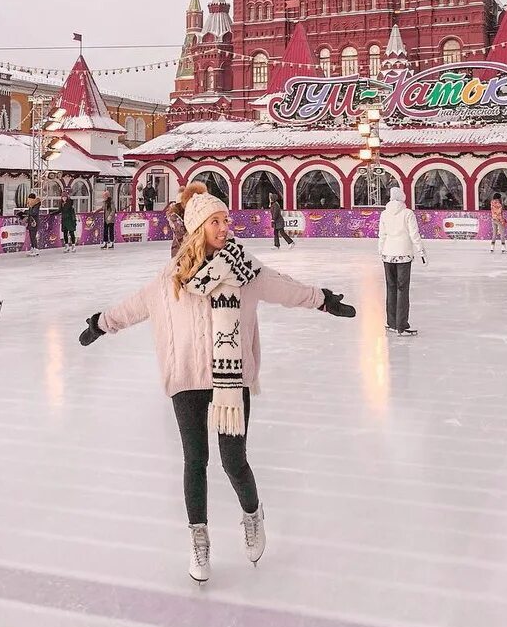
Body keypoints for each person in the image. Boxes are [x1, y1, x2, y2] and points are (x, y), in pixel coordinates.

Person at [78, 181, 354, 584]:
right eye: (216, 221)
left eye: (226, 219)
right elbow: (136, 305)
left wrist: (323, 299)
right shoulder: (171, 278)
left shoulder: (245, 269)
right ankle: (199, 541)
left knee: (233, 460)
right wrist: (101, 324)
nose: (226, 226)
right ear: (197, 227)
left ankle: (252, 515)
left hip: (231, 378)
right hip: (187, 375)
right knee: (196, 462)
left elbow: (284, 287)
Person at [377, 186, 425, 336]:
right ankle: (401, 325)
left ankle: (392, 323)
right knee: (402, 289)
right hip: (403, 254)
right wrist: (421, 250)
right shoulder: (407, 213)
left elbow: (382, 235)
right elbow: (414, 233)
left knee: (391, 288)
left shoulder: (384, 214)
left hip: (387, 255)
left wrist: (381, 250)